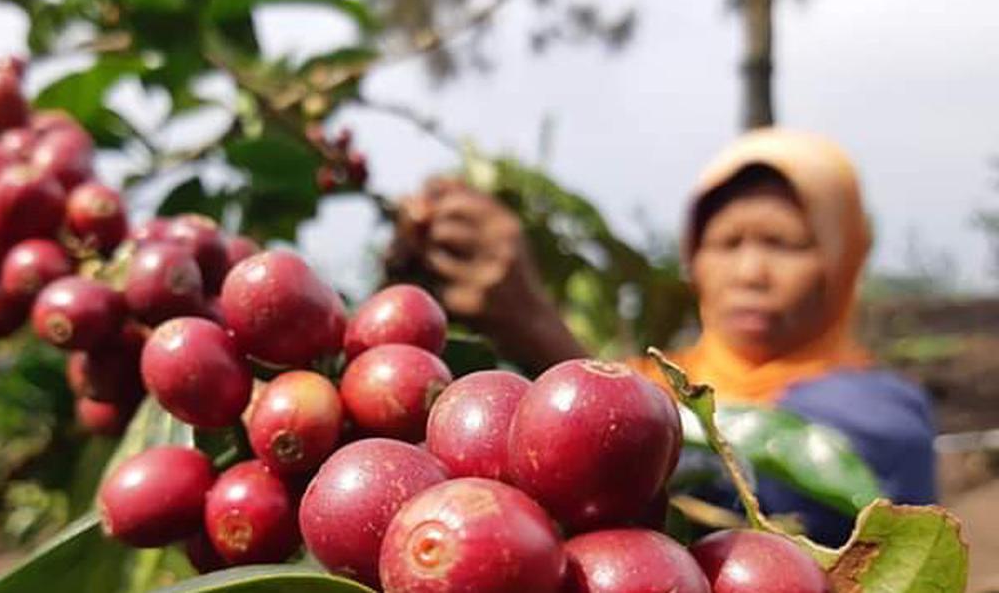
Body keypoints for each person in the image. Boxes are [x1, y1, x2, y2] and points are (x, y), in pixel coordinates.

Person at [393, 127, 937, 545]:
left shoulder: (878, 416)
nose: (750, 274)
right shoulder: (662, 378)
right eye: (726, 243)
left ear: (842, 259)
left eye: (785, 244)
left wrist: (536, 325)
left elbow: (711, 472)